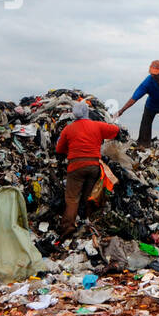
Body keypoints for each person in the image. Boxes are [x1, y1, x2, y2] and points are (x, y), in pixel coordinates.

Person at [55, 101, 121, 236]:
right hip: (93, 166)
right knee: (89, 195)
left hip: (75, 166)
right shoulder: (97, 126)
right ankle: (90, 222)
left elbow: (59, 149)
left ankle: (68, 228)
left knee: (72, 198)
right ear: (87, 112)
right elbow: (115, 130)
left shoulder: (68, 129)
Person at [115, 61, 159, 147]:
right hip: (152, 106)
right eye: (152, 74)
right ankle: (143, 146)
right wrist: (122, 110)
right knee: (145, 125)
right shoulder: (148, 82)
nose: (153, 76)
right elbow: (134, 98)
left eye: (156, 74)